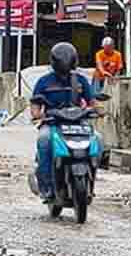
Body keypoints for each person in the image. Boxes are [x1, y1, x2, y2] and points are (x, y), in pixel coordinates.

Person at [29, 42, 98, 202]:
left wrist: (98, 110)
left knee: (98, 140)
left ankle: (91, 183)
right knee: (44, 141)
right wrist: (37, 114)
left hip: (78, 123)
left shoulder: (80, 81)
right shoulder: (43, 82)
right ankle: (46, 187)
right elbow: (35, 104)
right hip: (53, 123)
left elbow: (92, 102)